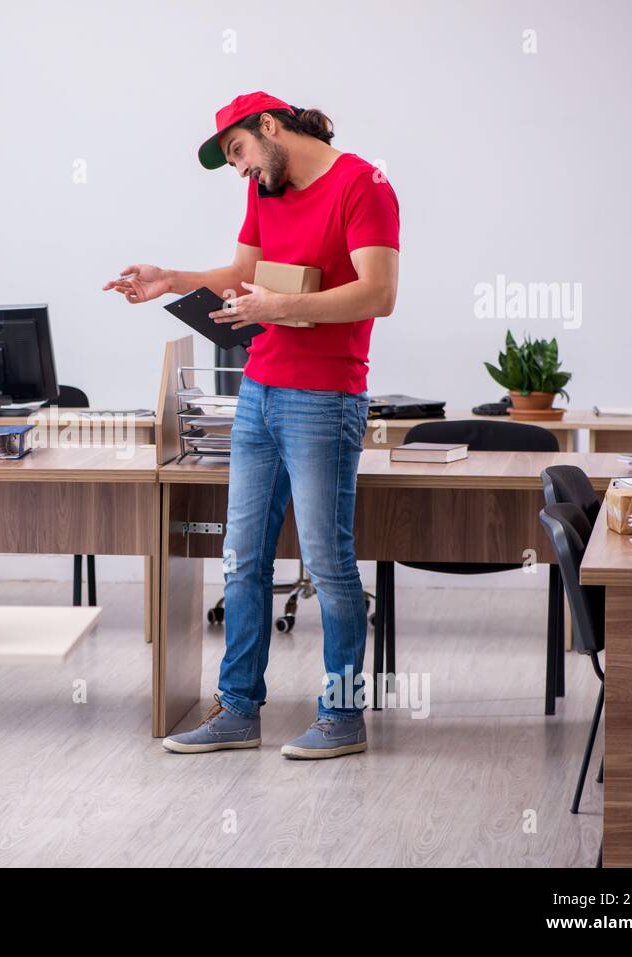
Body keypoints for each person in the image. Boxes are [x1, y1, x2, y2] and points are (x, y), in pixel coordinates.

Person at [104, 91, 400, 759]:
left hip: (325, 397)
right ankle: (238, 709)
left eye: (238, 151)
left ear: (269, 128)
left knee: (327, 564)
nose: (239, 169)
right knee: (241, 560)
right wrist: (170, 278)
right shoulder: (267, 187)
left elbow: (379, 292)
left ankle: (342, 716)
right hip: (260, 391)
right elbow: (242, 272)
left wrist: (282, 301)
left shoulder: (363, 184)